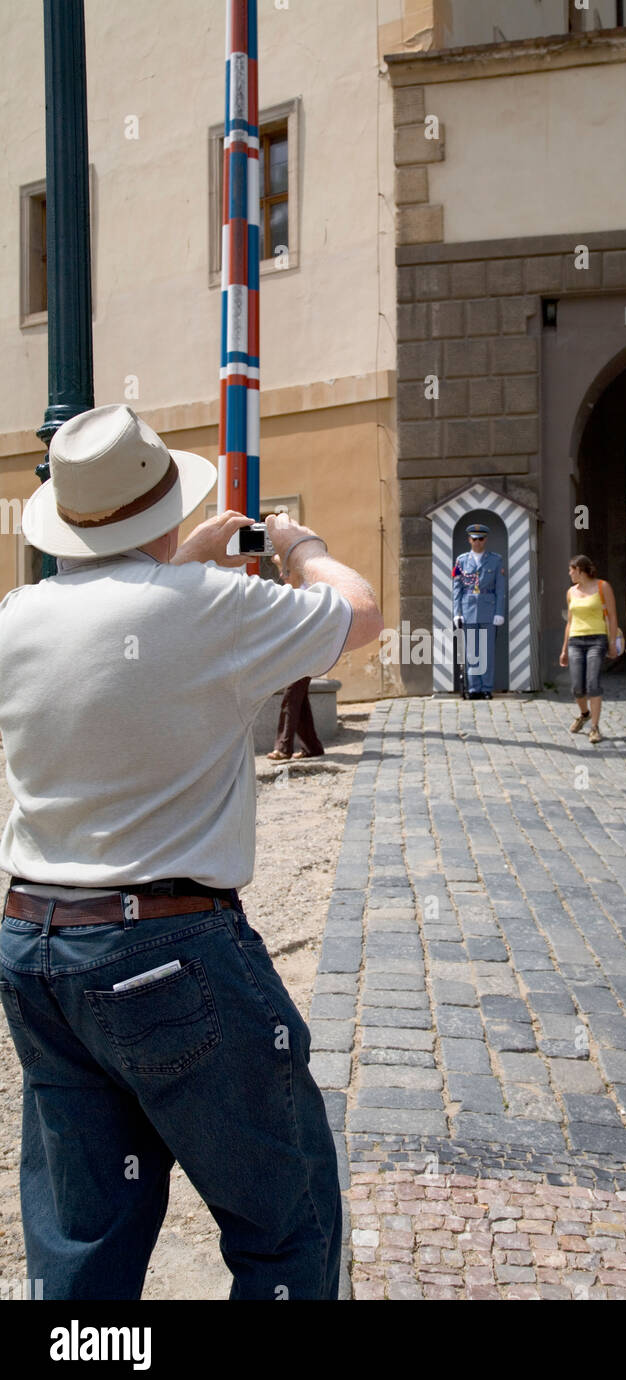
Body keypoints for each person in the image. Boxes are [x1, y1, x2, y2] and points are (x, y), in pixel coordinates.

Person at [0, 403, 382, 1300]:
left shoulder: (18, 613)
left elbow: (117, 644)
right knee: (286, 1219)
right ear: (165, 509)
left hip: (36, 943)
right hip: (169, 948)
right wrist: (299, 543)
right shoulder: (213, 607)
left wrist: (181, 564)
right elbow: (359, 614)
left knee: (84, 1237)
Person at [559, 555, 618, 744]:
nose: (569, 574)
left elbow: (613, 616)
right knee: (577, 687)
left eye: (571, 570)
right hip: (576, 640)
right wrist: (564, 649)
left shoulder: (602, 587)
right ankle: (584, 714)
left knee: (593, 684)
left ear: (579, 570)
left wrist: (612, 642)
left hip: (597, 639)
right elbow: (569, 622)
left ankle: (594, 727)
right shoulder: (570, 592)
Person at [452, 523, 506, 699]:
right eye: (474, 539)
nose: (477, 542)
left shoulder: (496, 560)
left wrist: (499, 612)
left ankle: (486, 688)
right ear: (469, 539)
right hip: (468, 610)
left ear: (486, 540)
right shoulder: (461, 560)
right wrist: (456, 612)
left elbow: (500, 589)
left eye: (480, 539)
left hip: (488, 610)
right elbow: (457, 588)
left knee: (487, 652)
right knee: (472, 652)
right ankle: (474, 688)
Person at [268, 677, 325, 762]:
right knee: (301, 702)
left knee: (291, 698)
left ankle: (283, 748)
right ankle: (312, 747)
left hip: (300, 665)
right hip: (300, 665)